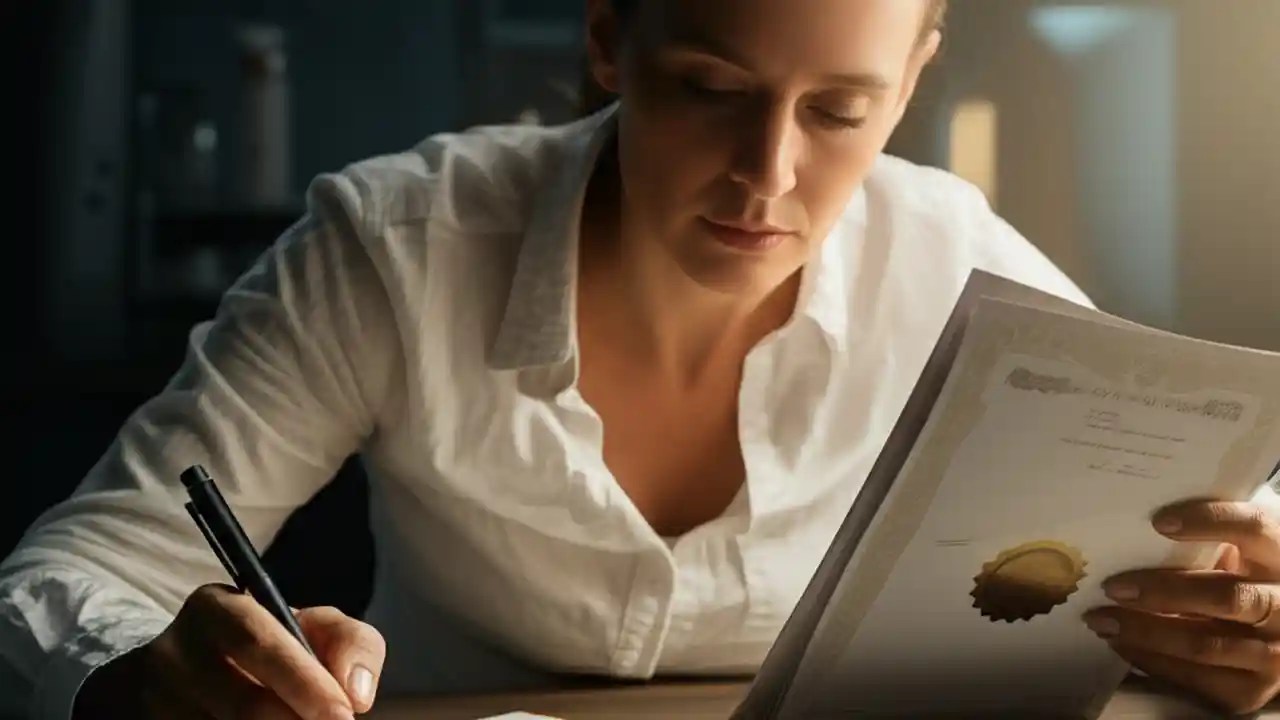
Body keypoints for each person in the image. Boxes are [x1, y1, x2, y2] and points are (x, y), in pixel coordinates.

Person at [3, 0, 1278, 717]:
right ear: (609, 40)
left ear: (911, 80)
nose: (766, 178)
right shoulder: (394, 246)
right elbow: (72, 569)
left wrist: (1256, 609)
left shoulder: (950, 257)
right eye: (709, 87)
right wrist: (127, 690)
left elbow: (1225, 510)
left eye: (839, 111)